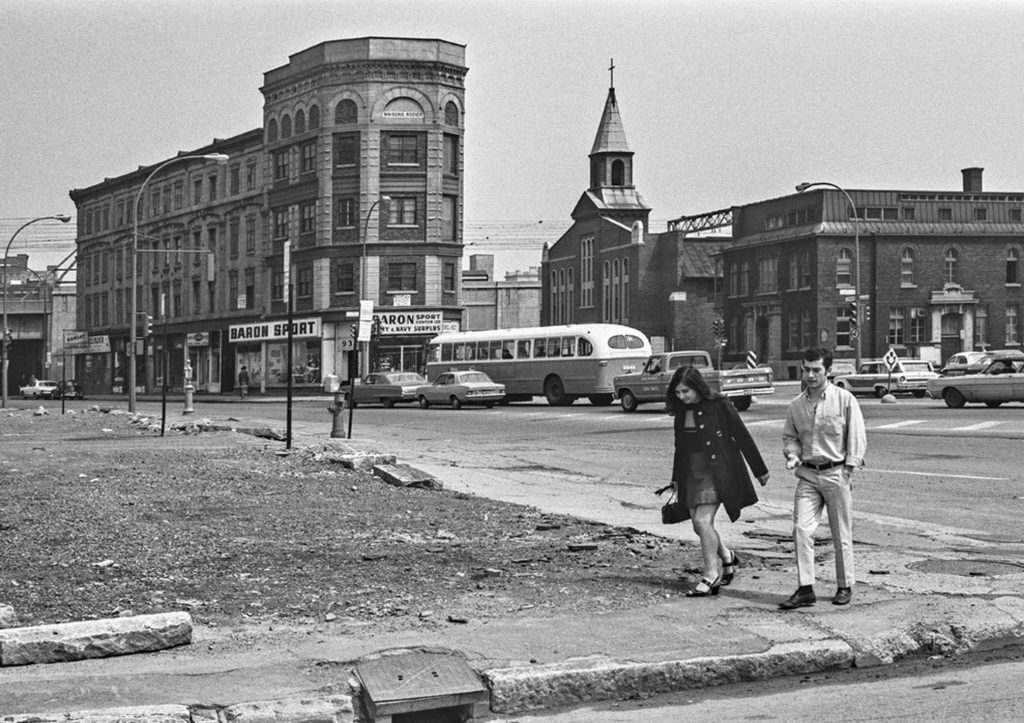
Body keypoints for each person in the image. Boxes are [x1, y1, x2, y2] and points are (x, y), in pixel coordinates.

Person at [666, 365, 770, 598]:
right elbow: (679, 446)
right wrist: (675, 478)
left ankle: (710, 575)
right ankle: (726, 556)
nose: (681, 396)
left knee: (702, 521)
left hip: (717, 472)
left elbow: (741, 435)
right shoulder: (682, 411)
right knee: (698, 526)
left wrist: (759, 469)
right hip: (690, 472)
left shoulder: (720, 404)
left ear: (697, 386)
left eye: (685, 391)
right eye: (678, 392)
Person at [780, 346, 867, 610]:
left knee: (841, 533)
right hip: (808, 475)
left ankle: (844, 585)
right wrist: (792, 454)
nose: (810, 375)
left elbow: (856, 435)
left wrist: (849, 468)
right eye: (806, 369)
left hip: (836, 473)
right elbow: (790, 437)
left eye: (816, 370)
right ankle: (806, 588)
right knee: (801, 530)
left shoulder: (844, 400)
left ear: (828, 371)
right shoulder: (796, 405)